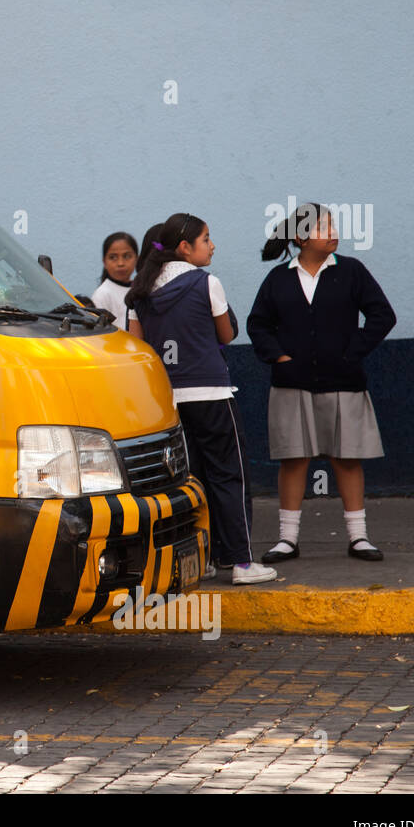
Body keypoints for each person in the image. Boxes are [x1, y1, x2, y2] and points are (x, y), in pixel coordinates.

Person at [127, 213, 276, 586]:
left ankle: (203, 559)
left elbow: (137, 349)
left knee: (189, 480)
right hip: (211, 392)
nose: (212, 246)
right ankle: (240, 561)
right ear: (185, 248)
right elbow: (225, 335)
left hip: (168, 400)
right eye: (207, 239)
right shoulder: (206, 283)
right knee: (230, 475)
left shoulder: (140, 294)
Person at [247, 203, 396, 563]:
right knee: (293, 459)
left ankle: (358, 537)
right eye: (322, 227)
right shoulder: (279, 279)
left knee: (347, 458)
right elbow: (258, 324)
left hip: (343, 381)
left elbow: (382, 315)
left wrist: (351, 352)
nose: (332, 232)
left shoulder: (351, 271)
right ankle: (287, 539)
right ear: (300, 238)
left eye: (333, 224)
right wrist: (278, 356)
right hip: (291, 385)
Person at [89, 231, 138, 329]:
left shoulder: (139, 289)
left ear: (137, 258)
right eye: (113, 257)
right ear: (104, 262)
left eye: (127, 256)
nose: (120, 263)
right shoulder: (102, 294)